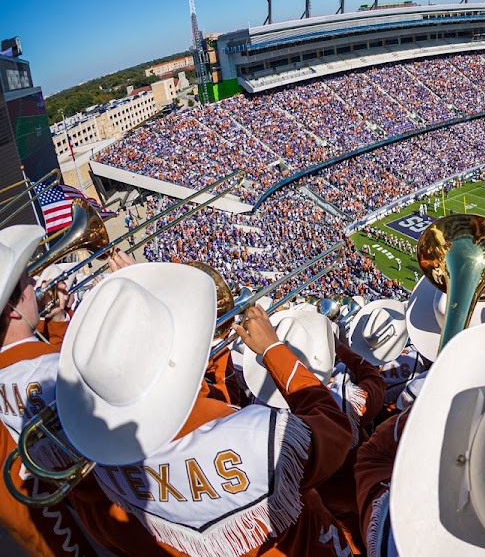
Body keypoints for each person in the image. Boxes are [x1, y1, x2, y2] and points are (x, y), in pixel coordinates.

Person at [58, 262, 356, 556]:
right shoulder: (242, 432)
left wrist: (149, 311)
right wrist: (273, 350)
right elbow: (333, 431)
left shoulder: (96, 468)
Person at [0, 225, 99, 557]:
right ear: (14, 307)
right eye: (27, 280)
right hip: (101, 517)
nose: (34, 284)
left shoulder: (48, 363)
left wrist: (55, 324)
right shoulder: (63, 368)